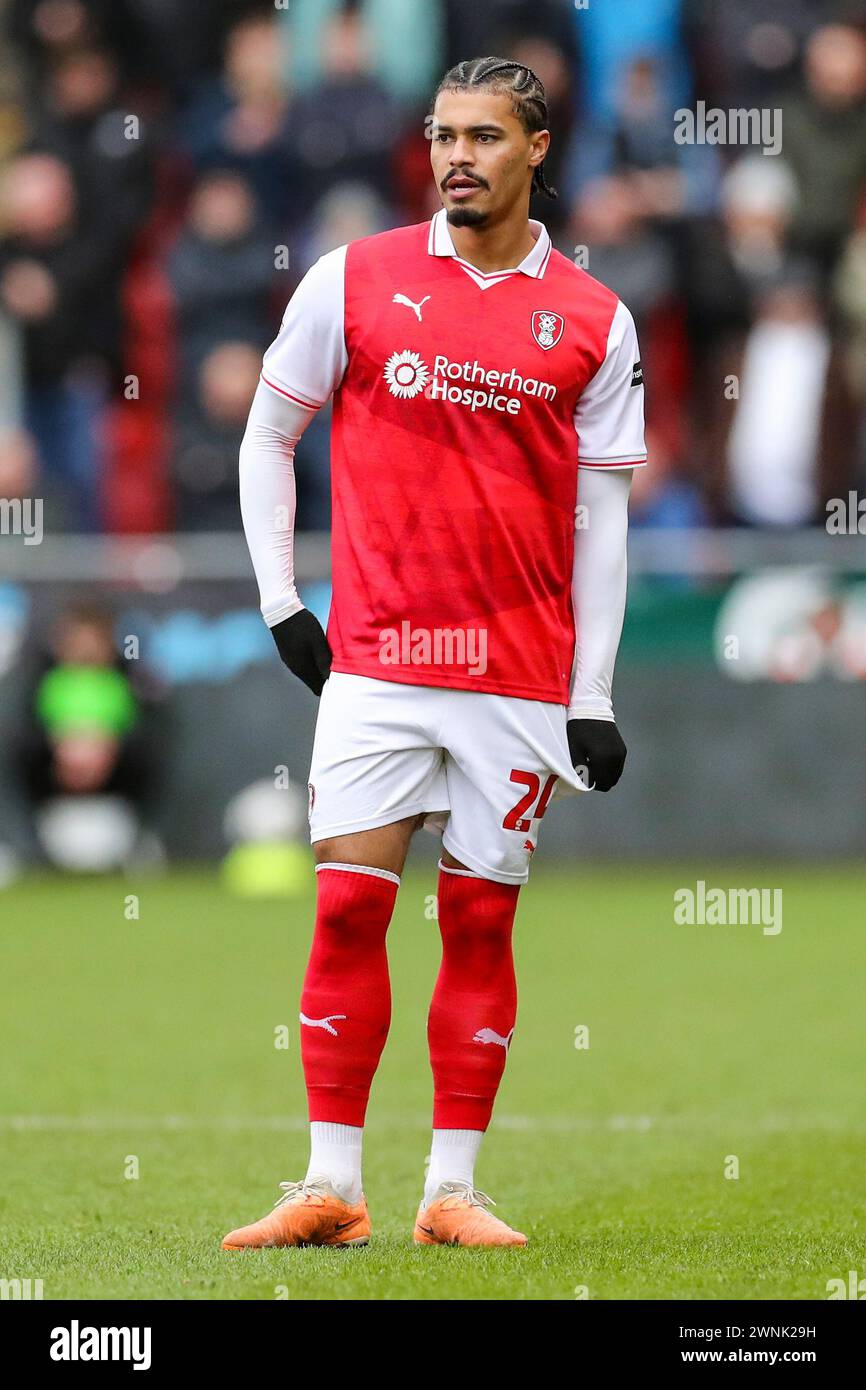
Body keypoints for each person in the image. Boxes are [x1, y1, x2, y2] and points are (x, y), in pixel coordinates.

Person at [226, 56, 646, 1251]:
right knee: (346, 914)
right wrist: (281, 606)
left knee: (478, 926)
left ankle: (449, 1193)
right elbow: (268, 438)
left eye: (484, 135)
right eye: (442, 133)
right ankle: (329, 1184)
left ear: (536, 149)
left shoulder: (592, 319)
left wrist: (591, 693)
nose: (456, 154)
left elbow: (602, 520)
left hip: (515, 676)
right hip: (377, 659)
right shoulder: (348, 281)